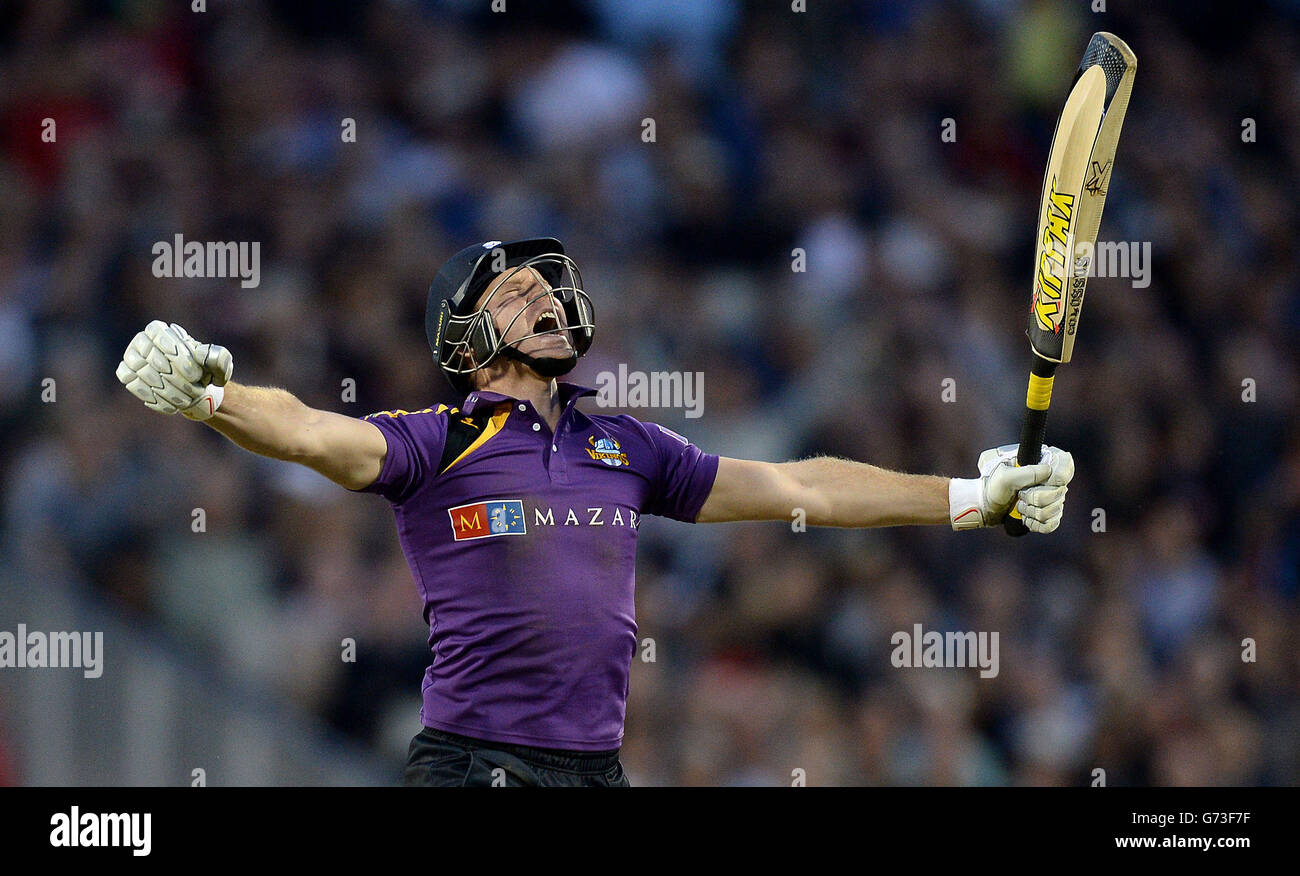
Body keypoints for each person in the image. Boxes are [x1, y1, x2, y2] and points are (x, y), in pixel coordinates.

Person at [116, 237, 1074, 786]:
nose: (541, 290)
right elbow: (314, 435)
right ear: (466, 336)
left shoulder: (628, 448)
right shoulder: (438, 441)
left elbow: (802, 487)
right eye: (512, 289)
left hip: (593, 772)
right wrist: (217, 400)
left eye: (543, 281)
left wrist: (973, 497)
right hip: (473, 764)